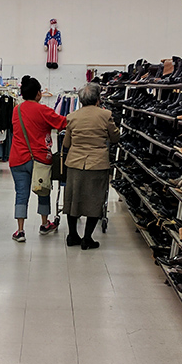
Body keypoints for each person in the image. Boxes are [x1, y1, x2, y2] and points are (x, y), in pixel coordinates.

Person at [9, 75, 66, 242]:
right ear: (38, 94)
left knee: (21, 193)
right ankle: (44, 223)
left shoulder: (16, 110)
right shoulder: (44, 110)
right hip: (40, 159)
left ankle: (20, 231)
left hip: (18, 158)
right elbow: (62, 123)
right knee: (43, 190)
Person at [63, 83, 119, 250]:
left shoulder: (72, 116)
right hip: (97, 163)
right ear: (98, 99)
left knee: (73, 199)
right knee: (95, 200)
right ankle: (87, 238)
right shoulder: (105, 115)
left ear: (80, 100)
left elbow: (66, 143)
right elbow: (115, 137)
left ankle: (73, 235)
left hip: (75, 163)